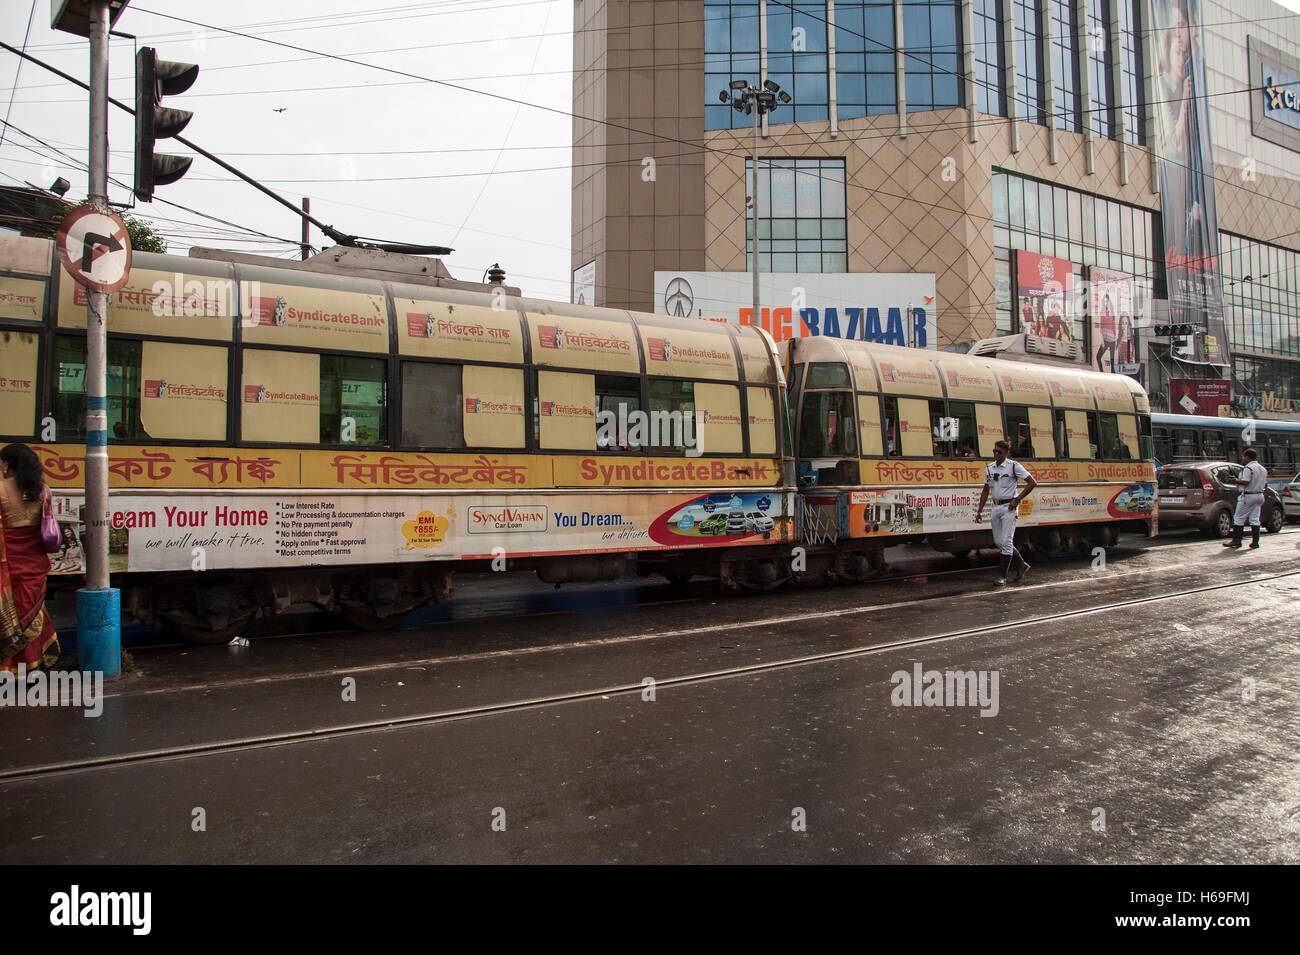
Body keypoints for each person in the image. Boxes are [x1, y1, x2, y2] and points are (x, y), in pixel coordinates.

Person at [0, 444, 60, 672]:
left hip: (9, 564)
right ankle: (31, 666)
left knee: (8, 615)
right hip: (35, 563)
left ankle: (7, 668)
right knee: (32, 613)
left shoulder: (1, 488)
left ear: (7, 464)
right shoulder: (42, 490)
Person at [975, 439, 1038, 585]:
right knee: (998, 542)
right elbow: (986, 490)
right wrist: (979, 510)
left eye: (999, 452)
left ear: (1006, 453)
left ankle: (1002, 576)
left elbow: (1032, 482)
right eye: (994, 451)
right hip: (996, 506)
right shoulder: (990, 468)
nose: (995, 454)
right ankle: (1021, 564)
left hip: (1009, 507)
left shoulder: (1013, 466)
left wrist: (1017, 499)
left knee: (1007, 541)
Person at [1224, 448, 1268, 549]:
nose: (1243, 458)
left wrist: (1236, 480)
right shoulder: (1262, 469)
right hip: (1259, 495)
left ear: (1248, 457)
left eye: (1244, 456)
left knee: (1238, 518)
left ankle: (1237, 540)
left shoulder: (1248, 468)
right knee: (1255, 519)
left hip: (1248, 495)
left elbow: (1246, 481)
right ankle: (1255, 542)